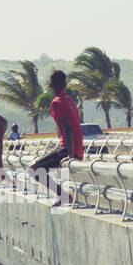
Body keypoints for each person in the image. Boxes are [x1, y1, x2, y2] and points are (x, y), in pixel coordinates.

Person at [30, 70, 83, 207]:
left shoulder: (57, 103)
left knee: (33, 169)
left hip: (68, 150)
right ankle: (62, 195)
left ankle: (63, 196)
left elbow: (67, 129)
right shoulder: (69, 101)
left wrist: (70, 156)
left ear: (51, 86)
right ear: (65, 84)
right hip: (76, 149)